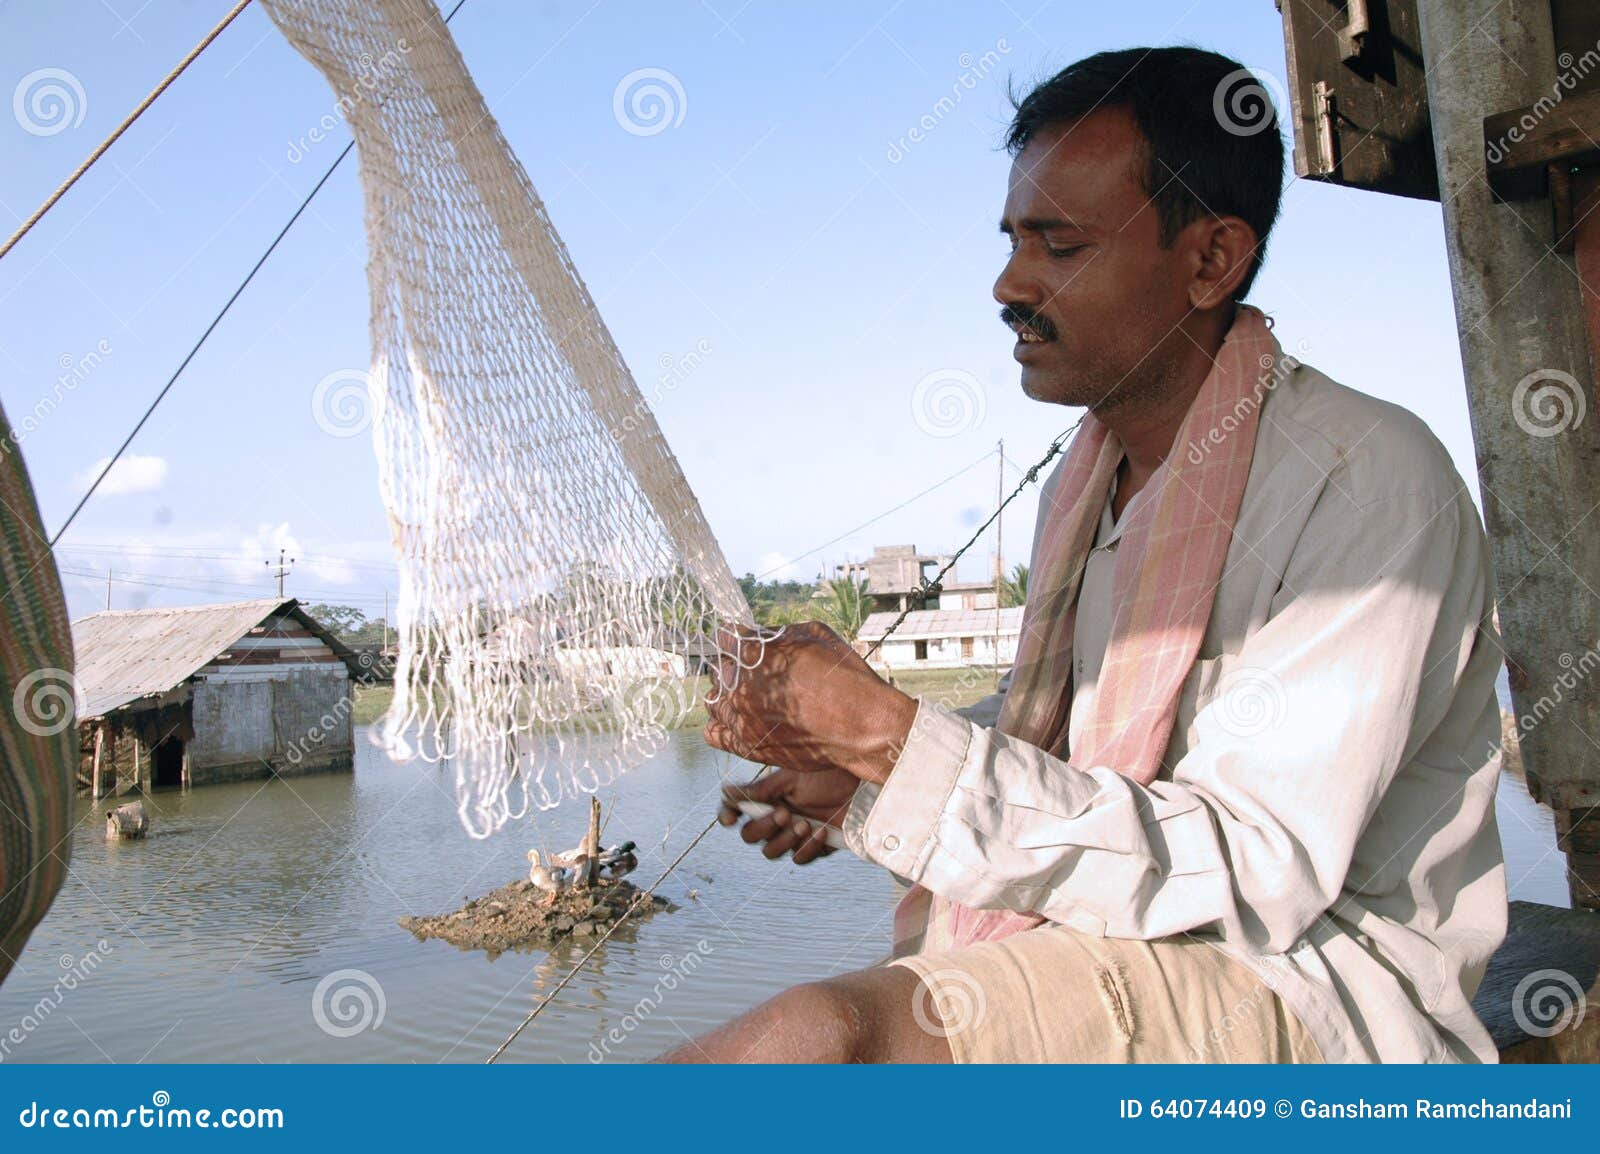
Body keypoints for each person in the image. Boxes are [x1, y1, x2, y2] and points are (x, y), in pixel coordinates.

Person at [660, 46, 1506, 1064]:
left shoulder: (1366, 483)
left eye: (1058, 246)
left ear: (1209, 259)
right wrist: (866, 778)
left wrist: (888, 739)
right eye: (1014, 239)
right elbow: (1085, 747)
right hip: (1142, 935)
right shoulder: (1088, 477)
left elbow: (1252, 871)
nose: (1007, 283)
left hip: (1311, 979)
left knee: (818, 1035)